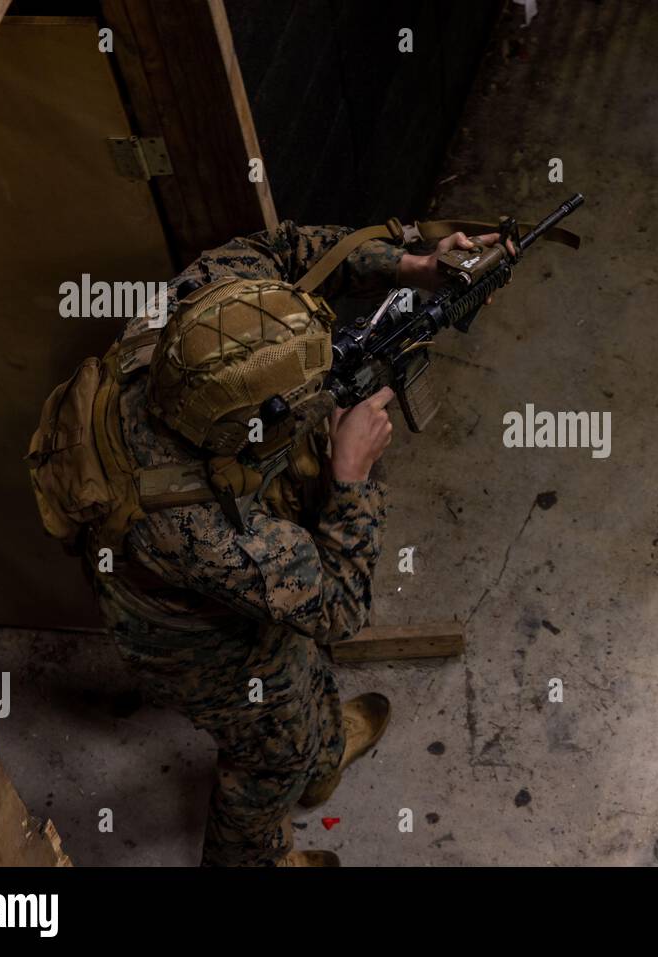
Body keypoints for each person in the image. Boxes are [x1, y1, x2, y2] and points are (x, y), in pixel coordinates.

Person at [95, 219, 508, 866]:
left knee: (296, 661)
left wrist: (413, 265)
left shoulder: (196, 315)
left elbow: (283, 247)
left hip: (239, 570)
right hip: (188, 632)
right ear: (245, 430)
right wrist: (351, 477)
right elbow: (339, 609)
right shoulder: (200, 528)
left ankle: (317, 752)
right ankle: (256, 846)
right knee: (267, 751)